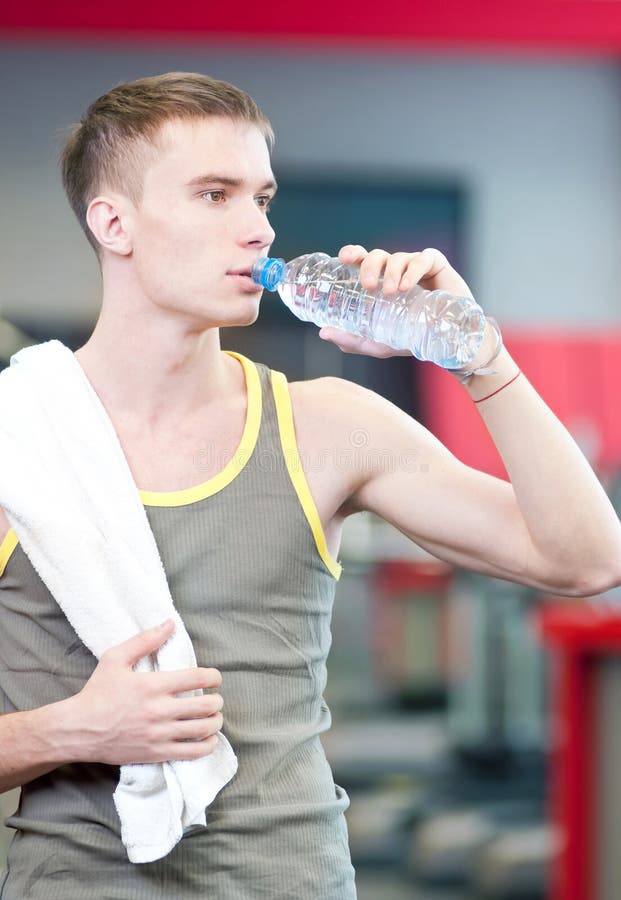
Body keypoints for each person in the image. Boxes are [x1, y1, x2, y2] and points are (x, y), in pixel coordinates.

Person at [0, 71, 620, 900]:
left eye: (262, 198)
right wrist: (69, 729)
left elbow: (583, 560)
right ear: (114, 223)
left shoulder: (327, 425)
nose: (257, 229)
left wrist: (478, 355)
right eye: (215, 195)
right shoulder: (19, 439)